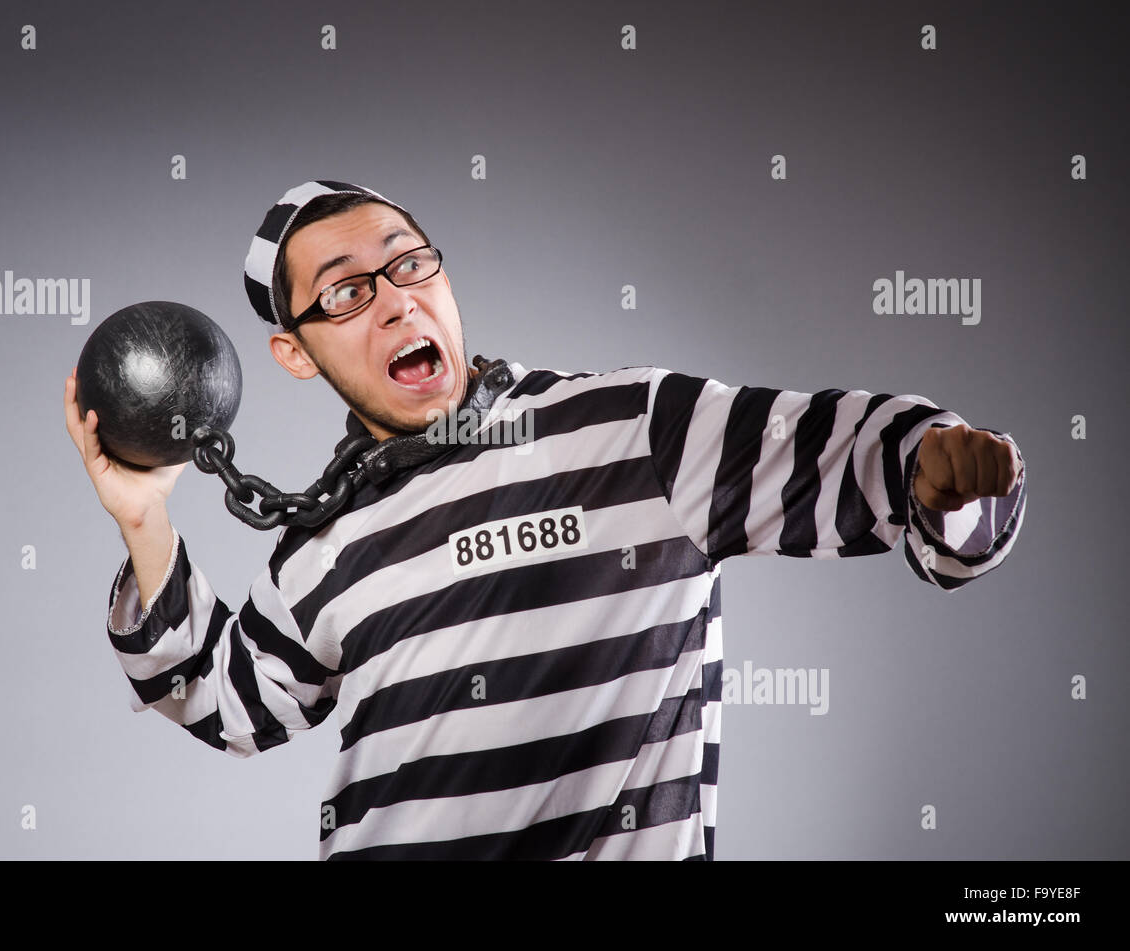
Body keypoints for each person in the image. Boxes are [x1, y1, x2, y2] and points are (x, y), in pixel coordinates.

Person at [63, 179, 1027, 860]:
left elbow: (853, 452)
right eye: (348, 291)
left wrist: (936, 466)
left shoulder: (636, 431)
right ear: (295, 354)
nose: (396, 298)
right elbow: (226, 704)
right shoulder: (323, 543)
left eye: (408, 263)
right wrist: (143, 522)